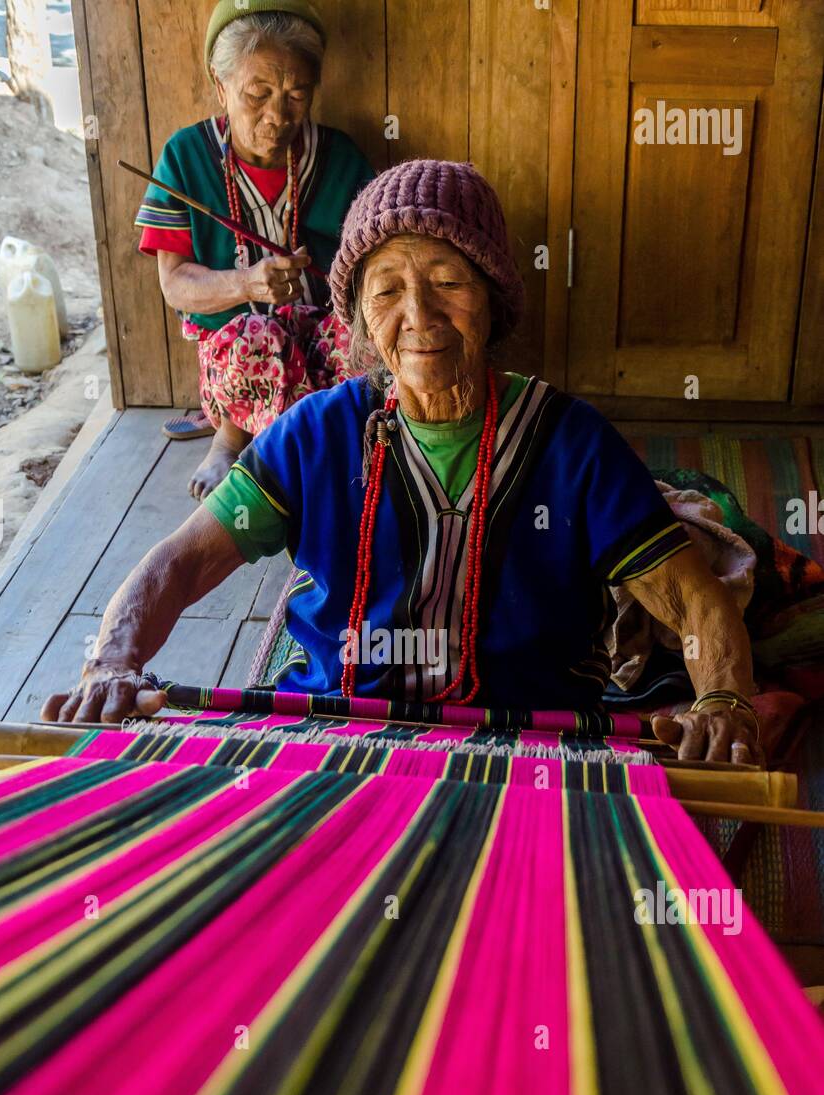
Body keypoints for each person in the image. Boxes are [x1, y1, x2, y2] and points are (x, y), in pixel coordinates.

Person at [46, 159, 762, 764]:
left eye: (447, 282)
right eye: (386, 290)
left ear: (492, 301)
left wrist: (722, 698)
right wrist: (111, 661)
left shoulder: (569, 444)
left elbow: (689, 597)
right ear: (358, 317)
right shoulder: (316, 436)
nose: (417, 314)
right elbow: (180, 562)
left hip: (529, 750)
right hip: (329, 735)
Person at [136, 0, 376, 498]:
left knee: (368, 345)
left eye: (295, 95)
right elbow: (175, 284)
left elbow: (376, 258)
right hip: (238, 351)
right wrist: (246, 283)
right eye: (257, 93)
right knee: (257, 336)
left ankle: (295, 448)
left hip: (319, 342)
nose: (276, 115)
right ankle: (231, 438)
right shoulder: (185, 156)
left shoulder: (339, 155)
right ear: (220, 86)